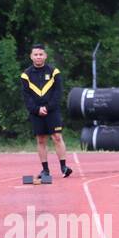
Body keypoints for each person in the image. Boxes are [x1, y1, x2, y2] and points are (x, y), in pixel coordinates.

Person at [20, 43, 71, 179]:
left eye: (41, 54)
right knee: (41, 140)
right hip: (36, 112)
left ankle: (64, 167)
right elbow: (26, 96)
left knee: (57, 137)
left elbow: (58, 93)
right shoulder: (26, 75)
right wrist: (37, 109)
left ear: (45, 56)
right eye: (35, 54)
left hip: (52, 111)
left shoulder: (54, 72)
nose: (38, 57)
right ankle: (45, 170)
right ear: (31, 56)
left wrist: (47, 108)